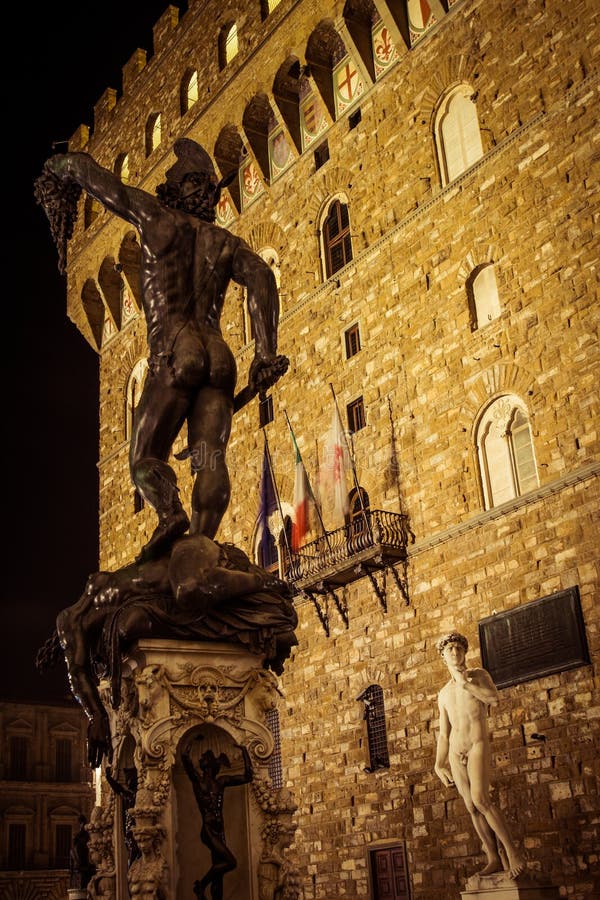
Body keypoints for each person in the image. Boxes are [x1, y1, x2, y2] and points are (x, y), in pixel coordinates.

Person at [37, 138, 288, 564]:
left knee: (143, 460)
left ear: (173, 190)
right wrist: (265, 353)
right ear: (205, 194)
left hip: (176, 355)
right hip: (219, 362)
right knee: (210, 458)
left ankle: (170, 514)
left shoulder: (154, 217)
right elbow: (262, 276)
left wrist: (59, 164)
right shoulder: (226, 243)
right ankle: (200, 549)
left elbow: (98, 180)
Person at [434, 631, 525, 879]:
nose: (454, 652)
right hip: (455, 749)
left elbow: (493, 699)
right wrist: (438, 763)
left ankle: (513, 852)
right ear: (443, 657)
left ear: (465, 652)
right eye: (449, 650)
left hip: (476, 744)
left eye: (458, 648)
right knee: (471, 807)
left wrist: (467, 684)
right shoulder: (443, 694)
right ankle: (493, 858)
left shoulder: (479, 676)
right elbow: (444, 734)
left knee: (481, 798)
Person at [181, 736, 253, 900]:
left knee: (218, 873)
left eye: (206, 757)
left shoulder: (221, 782)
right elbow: (185, 759)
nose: (203, 759)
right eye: (203, 758)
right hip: (208, 830)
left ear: (212, 765)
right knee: (231, 862)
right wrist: (192, 742)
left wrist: (244, 751)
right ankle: (201, 885)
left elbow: (248, 776)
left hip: (219, 831)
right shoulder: (198, 782)